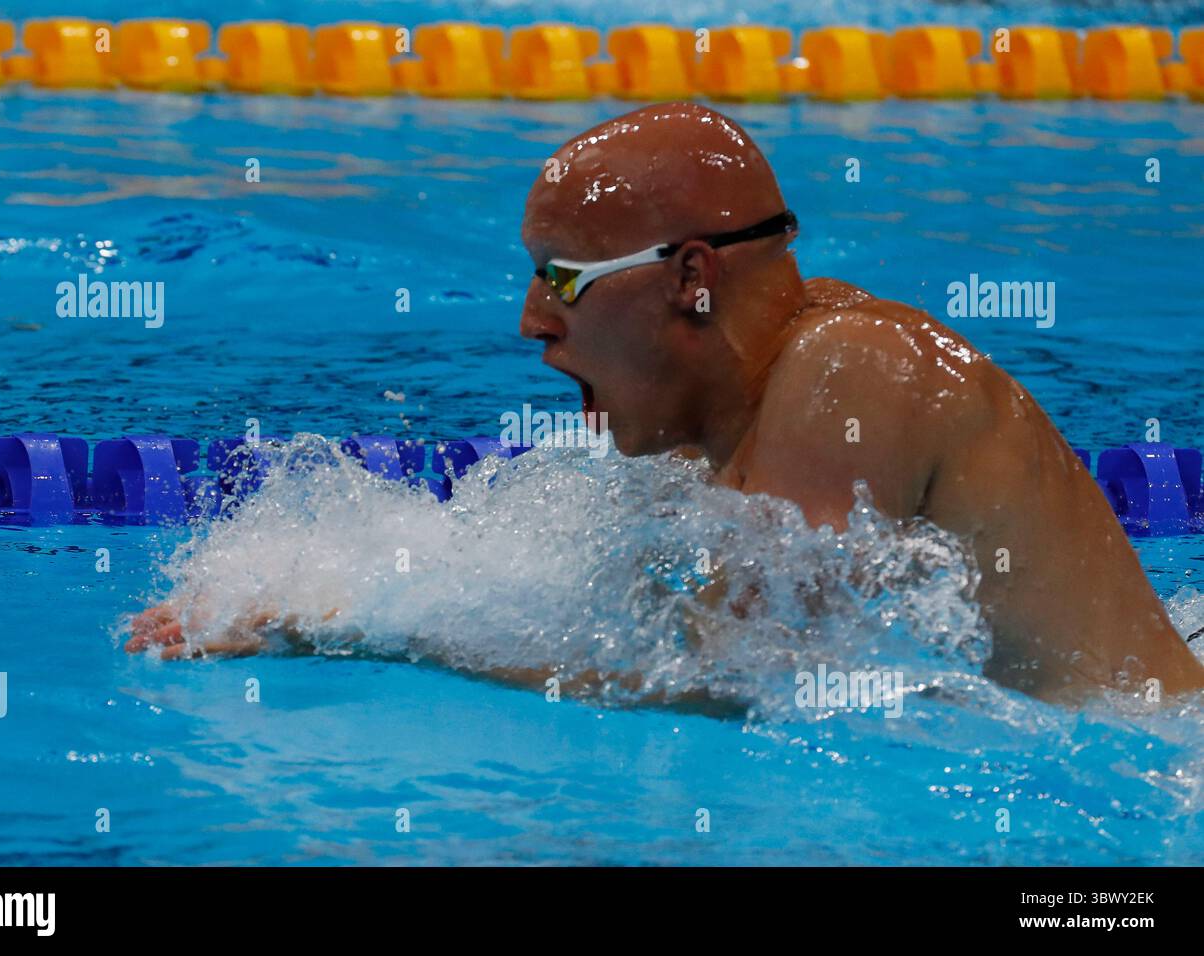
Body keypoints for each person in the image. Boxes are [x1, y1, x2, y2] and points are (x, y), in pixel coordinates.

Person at [129, 102, 1204, 704]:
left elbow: (730, 680)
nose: (529, 322)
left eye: (559, 280)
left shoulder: (853, 370)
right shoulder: (730, 410)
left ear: (691, 276)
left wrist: (365, 621)